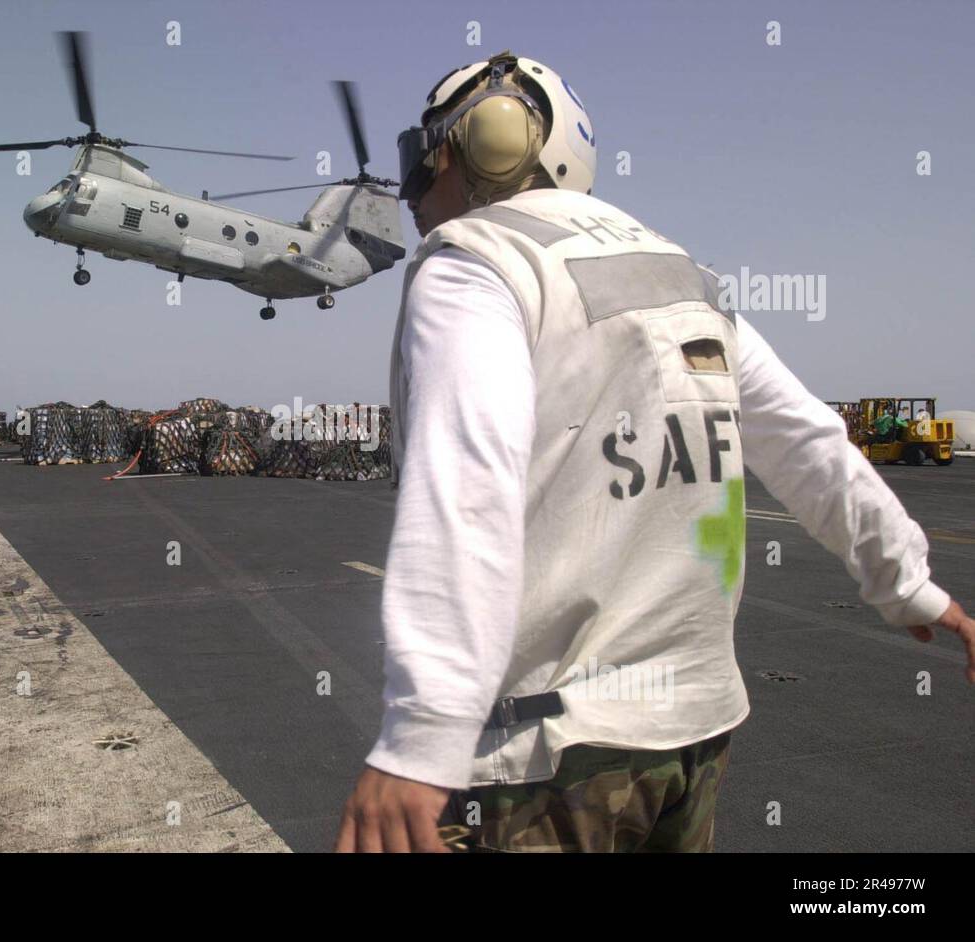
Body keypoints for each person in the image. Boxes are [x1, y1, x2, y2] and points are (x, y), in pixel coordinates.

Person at [334, 52, 975, 853]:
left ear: (494, 140)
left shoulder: (476, 264)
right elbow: (809, 444)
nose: (414, 183)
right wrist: (908, 585)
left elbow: (467, 481)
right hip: (691, 743)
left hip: (543, 763)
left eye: (426, 151)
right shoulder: (685, 277)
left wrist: (422, 734)